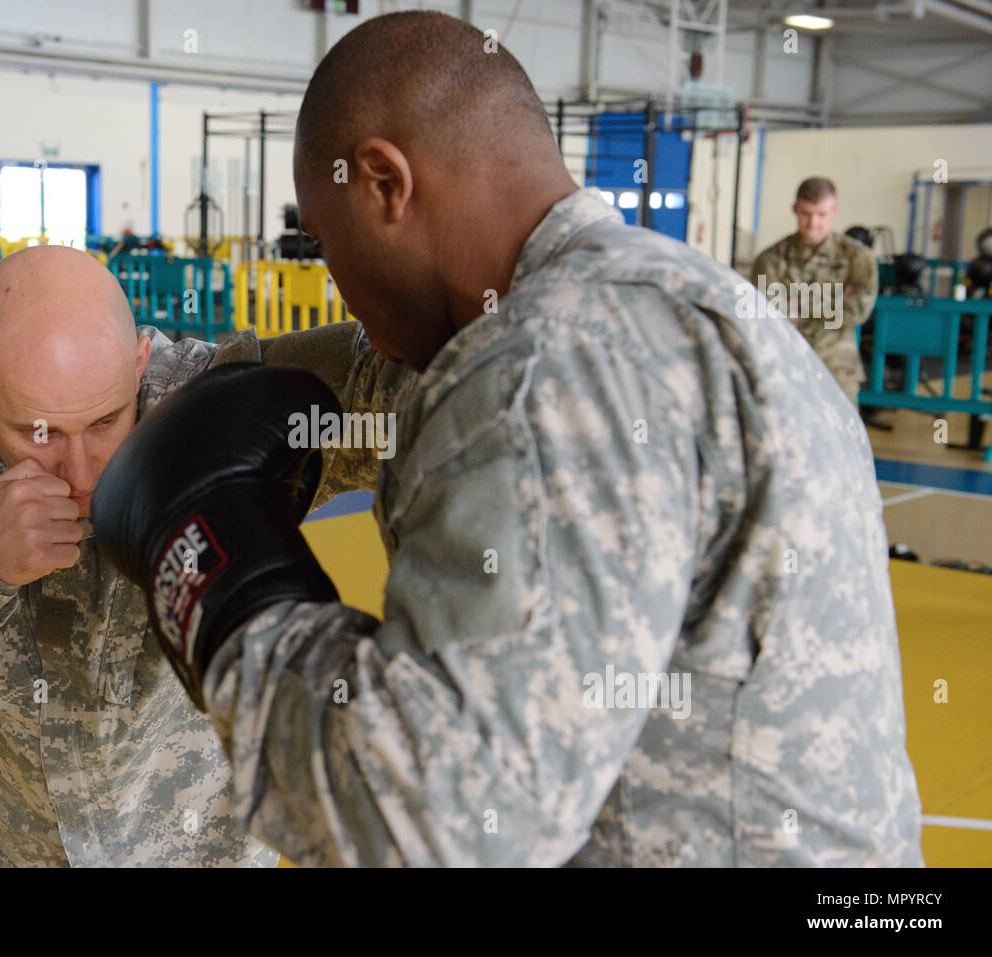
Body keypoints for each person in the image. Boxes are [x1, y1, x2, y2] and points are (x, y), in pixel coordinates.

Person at [94, 11, 923, 867]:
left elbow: (434, 816)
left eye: (332, 252)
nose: (349, 303)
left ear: (385, 182)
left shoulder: (540, 366)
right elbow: (374, 377)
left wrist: (222, 595)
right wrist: (169, 380)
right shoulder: (691, 305)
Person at [0, 244, 410, 866]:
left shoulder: (202, 401)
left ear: (140, 363)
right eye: (39, 434)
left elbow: (398, 379)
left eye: (107, 421)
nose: (80, 473)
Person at [752, 177, 878, 404]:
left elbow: (855, 311)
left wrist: (798, 303)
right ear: (795, 210)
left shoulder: (856, 257)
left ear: (834, 211)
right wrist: (833, 301)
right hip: (784, 367)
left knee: (843, 439)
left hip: (837, 369)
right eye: (806, 214)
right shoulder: (771, 259)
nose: (813, 223)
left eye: (821, 215)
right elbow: (765, 315)